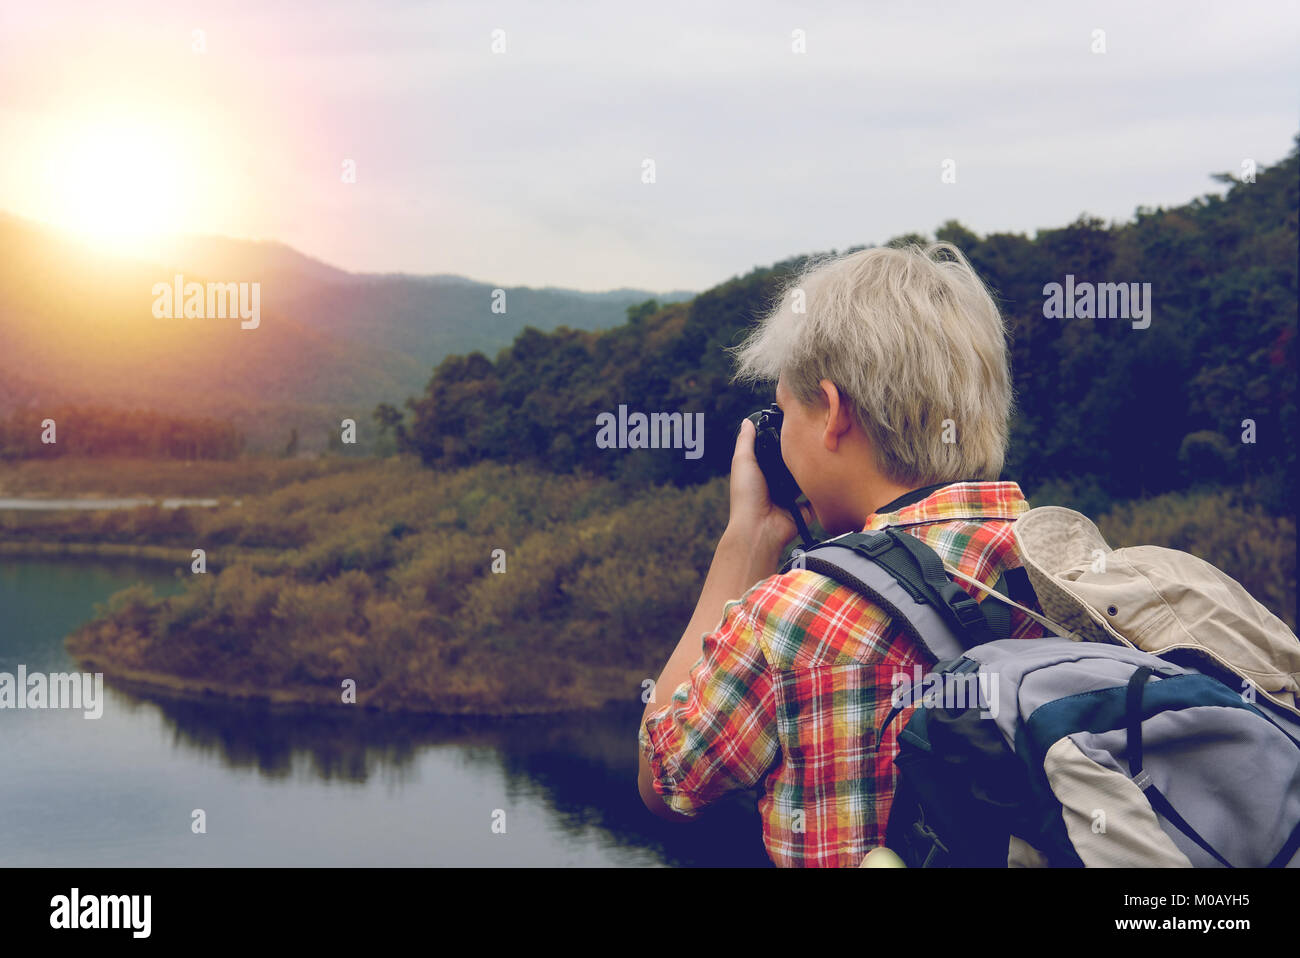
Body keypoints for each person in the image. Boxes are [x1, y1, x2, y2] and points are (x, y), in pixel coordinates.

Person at [637, 241, 1051, 867]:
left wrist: (745, 542)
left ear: (831, 413)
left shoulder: (799, 616)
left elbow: (666, 781)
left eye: (783, 412)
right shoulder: (1077, 570)